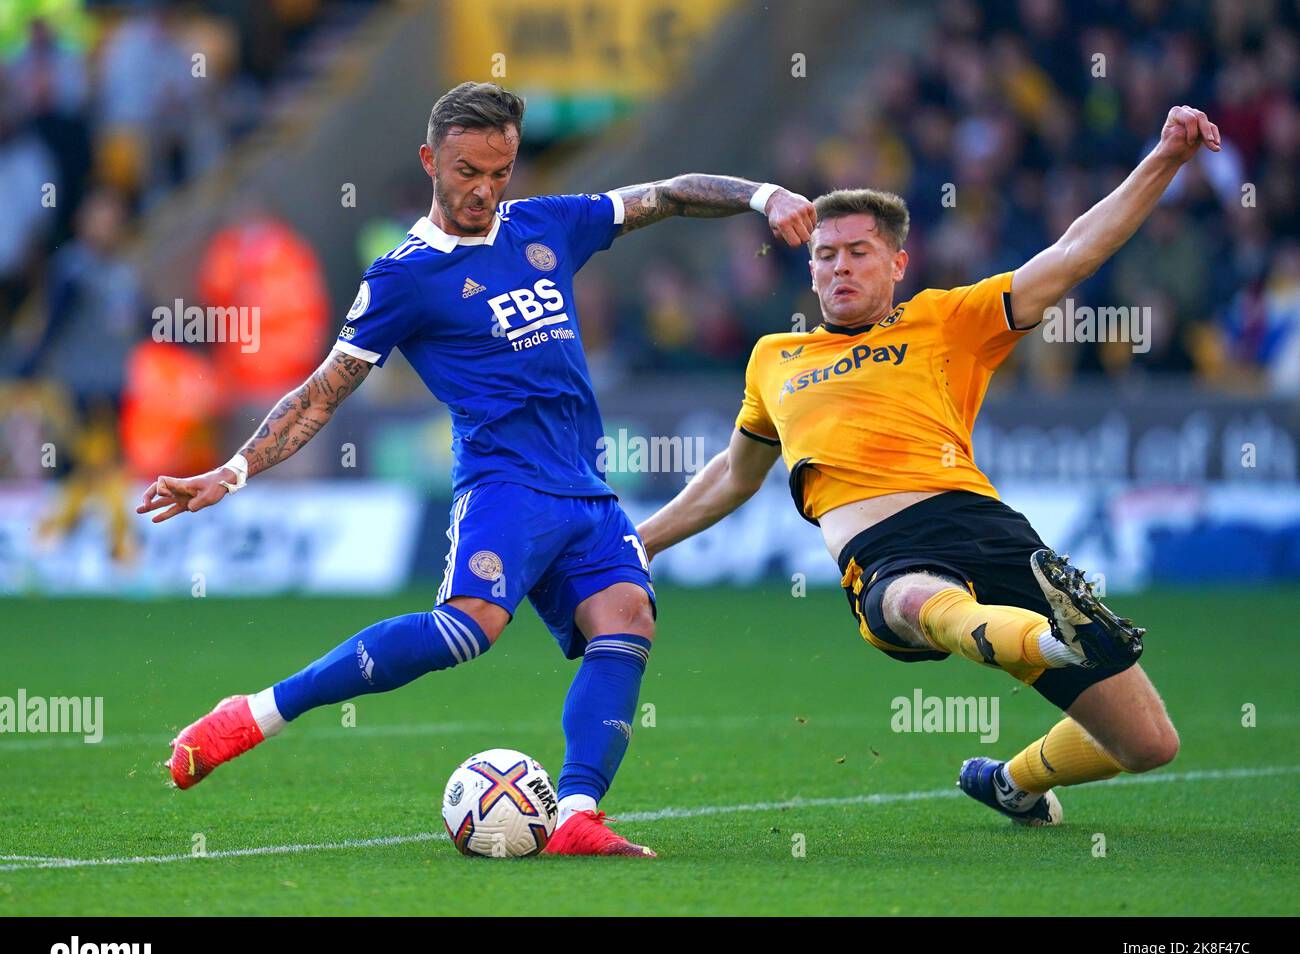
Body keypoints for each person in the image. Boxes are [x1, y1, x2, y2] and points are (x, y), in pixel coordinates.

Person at [137, 81, 816, 856]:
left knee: (628, 617)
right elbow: (322, 394)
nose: (485, 190)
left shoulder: (546, 223)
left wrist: (764, 194)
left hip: (585, 490)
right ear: (432, 160)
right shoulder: (403, 276)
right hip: (505, 485)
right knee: (467, 631)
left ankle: (577, 817)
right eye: (467, 172)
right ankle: (256, 713)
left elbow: (665, 195)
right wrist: (228, 474)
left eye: (501, 171)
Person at [637, 105, 1222, 826]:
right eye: (825, 254)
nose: (839, 266)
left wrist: (1164, 156)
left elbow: (1074, 252)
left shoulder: (949, 319)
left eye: (858, 251)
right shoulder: (773, 359)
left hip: (987, 527)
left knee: (1148, 745)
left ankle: (1013, 781)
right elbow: (733, 476)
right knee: (918, 606)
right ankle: (1053, 638)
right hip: (883, 551)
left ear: (896, 263)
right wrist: (642, 542)